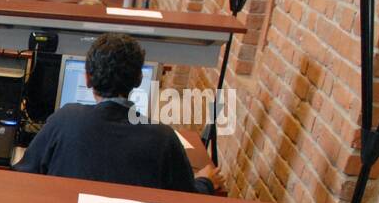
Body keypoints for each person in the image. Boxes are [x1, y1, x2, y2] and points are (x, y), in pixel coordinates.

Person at [15, 32, 224, 194]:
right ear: (139, 80)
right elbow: (184, 199)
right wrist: (204, 182)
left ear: (87, 78)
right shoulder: (163, 138)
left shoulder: (64, 119)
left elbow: (22, 175)